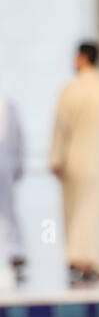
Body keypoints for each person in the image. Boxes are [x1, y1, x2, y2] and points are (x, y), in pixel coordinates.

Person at [49, 41, 99, 284]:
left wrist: (56, 158)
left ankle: (75, 258)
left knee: (74, 209)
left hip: (73, 158)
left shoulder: (69, 90)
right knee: (97, 210)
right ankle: (93, 260)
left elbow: (59, 129)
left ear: (82, 58)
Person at [0, 96, 24, 283]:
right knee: (8, 213)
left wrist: (17, 166)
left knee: (7, 213)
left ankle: (16, 255)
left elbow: (17, 138)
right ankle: (16, 255)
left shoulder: (7, 105)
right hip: (6, 167)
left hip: (4, 167)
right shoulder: (7, 105)